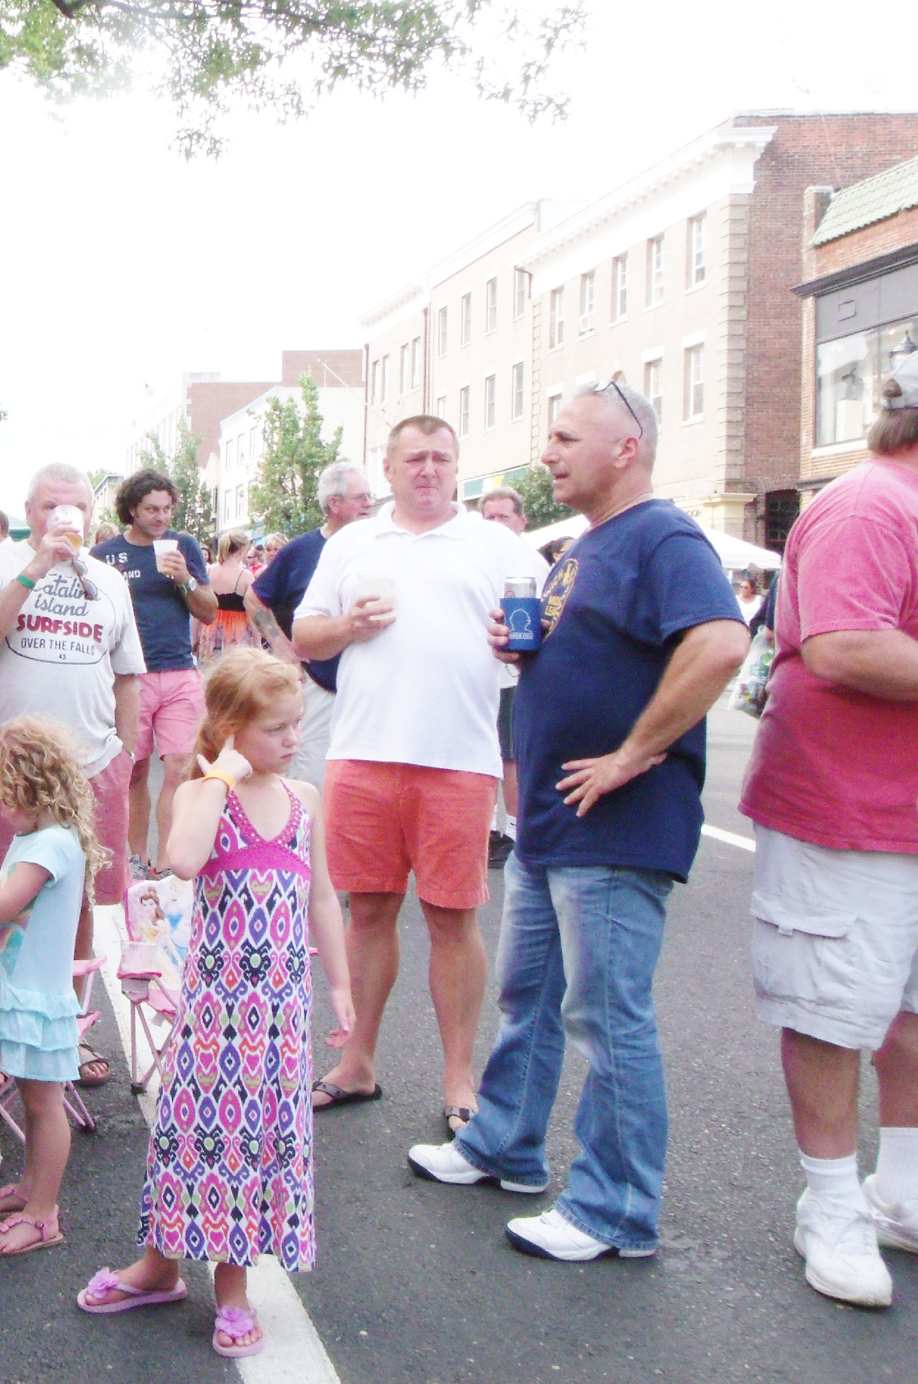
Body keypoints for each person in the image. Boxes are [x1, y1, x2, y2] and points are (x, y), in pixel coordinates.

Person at [407, 383, 746, 1262]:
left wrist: (633, 753)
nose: (546, 454)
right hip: (554, 826)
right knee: (530, 999)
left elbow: (719, 643)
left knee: (606, 1015)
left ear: (625, 446)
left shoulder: (664, 534)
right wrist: (529, 650)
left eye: (563, 438)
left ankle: (614, 1209)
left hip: (614, 826)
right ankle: (505, 1147)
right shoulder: (587, 545)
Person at [739, 347, 918, 1309]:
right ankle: (829, 1202)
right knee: (831, 1009)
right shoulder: (872, 506)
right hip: (849, 812)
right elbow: (845, 644)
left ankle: (909, 1192)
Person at [76, 650, 353, 1357]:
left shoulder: (304, 801)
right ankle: (161, 1264)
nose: (293, 741)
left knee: (252, 1144)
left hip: (281, 1018)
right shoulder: (209, 793)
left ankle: (233, 1287)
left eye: (296, 726)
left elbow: (322, 895)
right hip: (216, 1012)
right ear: (228, 729)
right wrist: (219, 777)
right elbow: (185, 861)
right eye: (275, 730)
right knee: (193, 1136)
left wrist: (344, 987)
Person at [292, 419, 543, 1131]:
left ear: (457, 467)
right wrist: (349, 628)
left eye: (441, 458)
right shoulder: (353, 541)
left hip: (458, 758)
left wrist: (521, 647)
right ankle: (358, 1062)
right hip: (364, 752)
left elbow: (546, 634)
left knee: (452, 918)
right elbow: (306, 634)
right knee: (367, 912)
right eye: (414, 458)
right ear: (389, 467)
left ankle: (459, 1078)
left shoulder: (498, 545)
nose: (428, 470)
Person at [0, 716, 105, 1255]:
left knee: (45, 1106)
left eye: (8, 798)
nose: (2, 810)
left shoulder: (48, 845)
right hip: (24, 991)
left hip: (35, 997)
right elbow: (17, 899)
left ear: (35, 789)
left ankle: (43, 1213)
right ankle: (32, 1187)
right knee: (35, 1102)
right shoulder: (43, 837)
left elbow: (4, 905)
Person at [0, 463, 144, 909]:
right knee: (4, 903)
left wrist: (125, 756)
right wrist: (38, 565)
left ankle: (74, 983)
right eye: (52, 507)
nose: (66, 516)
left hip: (92, 764)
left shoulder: (109, 580)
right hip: (11, 768)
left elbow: (127, 676)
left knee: (84, 906)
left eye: (78, 507)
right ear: (28, 511)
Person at [94, 469, 214, 877]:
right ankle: (133, 855)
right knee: (134, 769)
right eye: (151, 509)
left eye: (167, 509)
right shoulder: (107, 555)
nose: (161, 517)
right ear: (132, 510)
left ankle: (167, 857)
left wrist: (184, 579)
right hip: (130, 677)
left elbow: (209, 610)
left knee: (181, 766)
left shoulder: (183, 546)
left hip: (180, 669)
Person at [247, 462, 371, 790]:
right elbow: (254, 598)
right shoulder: (300, 551)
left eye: (369, 497)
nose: (368, 504)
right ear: (334, 503)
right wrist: (282, 648)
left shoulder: (379, 545)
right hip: (320, 685)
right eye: (360, 498)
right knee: (311, 781)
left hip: (370, 689)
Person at [476, 485, 530, 865]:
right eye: (489, 517)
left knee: (509, 756)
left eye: (503, 516)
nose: (495, 524)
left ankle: (514, 832)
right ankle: (493, 829)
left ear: (521, 521)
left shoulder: (528, 562)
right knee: (487, 752)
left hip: (513, 674)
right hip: (479, 674)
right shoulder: (474, 558)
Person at [197, 529, 262, 663]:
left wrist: (194, 639)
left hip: (209, 632)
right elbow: (254, 614)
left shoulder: (207, 571)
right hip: (236, 634)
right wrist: (258, 644)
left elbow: (197, 608)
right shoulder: (245, 576)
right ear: (242, 550)